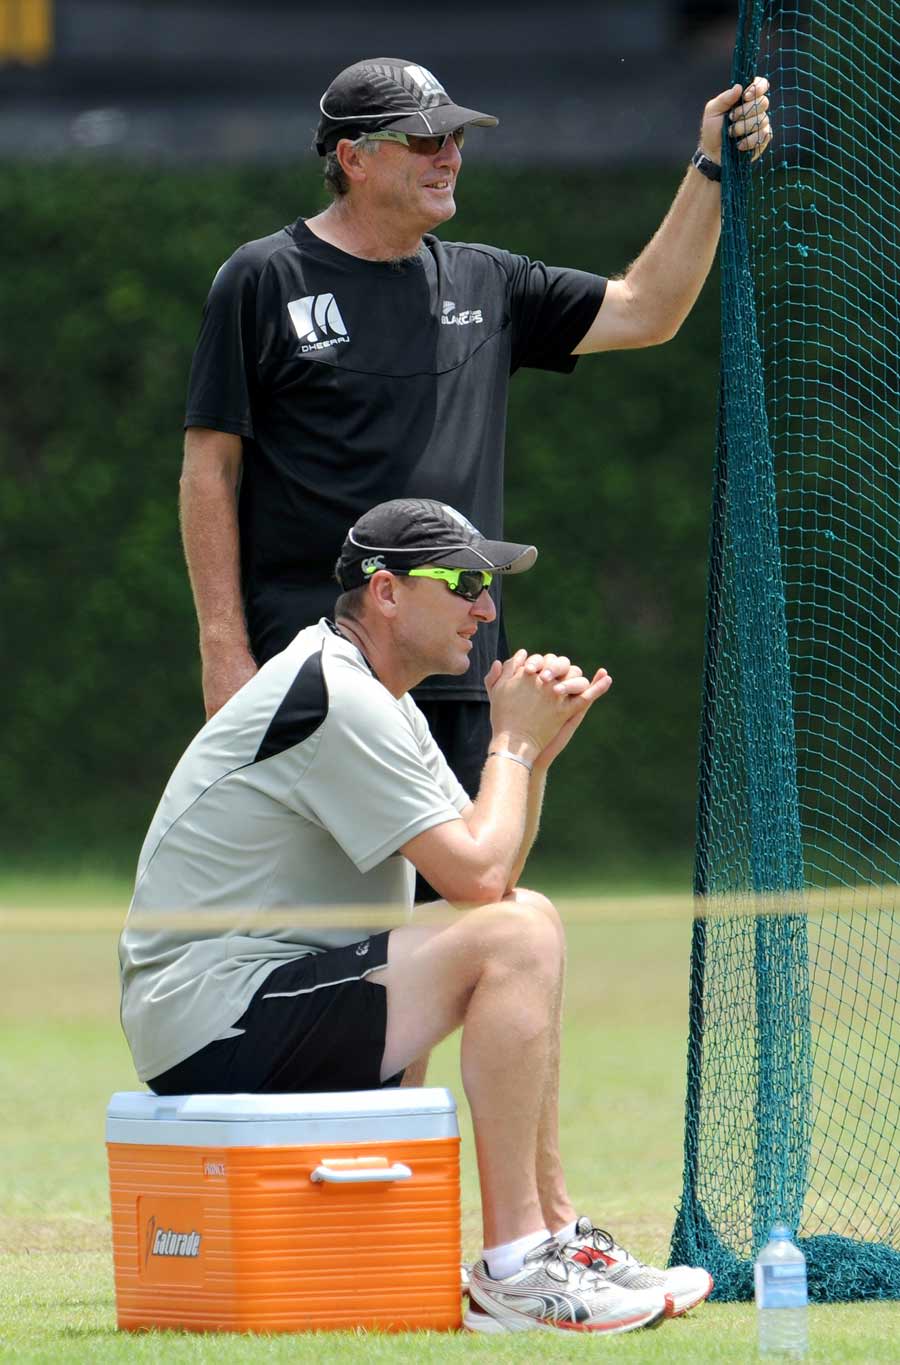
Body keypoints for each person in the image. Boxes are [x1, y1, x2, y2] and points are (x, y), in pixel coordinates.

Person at [120, 496, 713, 1335]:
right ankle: (517, 1267)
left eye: (489, 584)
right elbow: (476, 883)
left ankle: (554, 1239)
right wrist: (508, 744)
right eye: (465, 581)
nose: (485, 606)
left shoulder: (381, 697)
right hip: (209, 1021)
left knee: (526, 919)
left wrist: (531, 756)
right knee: (512, 930)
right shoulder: (337, 694)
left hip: (261, 1002)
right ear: (387, 592)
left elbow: (492, 872)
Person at [180, 56, 773, 811]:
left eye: (455, 138)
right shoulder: (262, 278)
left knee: (463, 913)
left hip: (455, 669)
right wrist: (223, 651)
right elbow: (210, 472)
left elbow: (646, 310)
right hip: (311, 667)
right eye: (425, 141)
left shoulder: (488, 281)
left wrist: (710, 166)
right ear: (353, 158)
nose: (450, 156)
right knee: (316, 920)